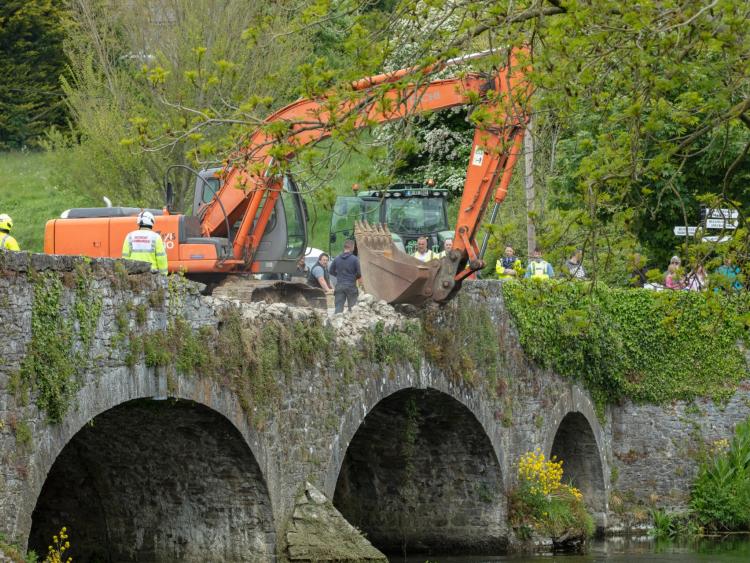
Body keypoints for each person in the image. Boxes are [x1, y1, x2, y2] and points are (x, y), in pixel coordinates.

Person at [330, 240, 361, 313]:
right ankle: (352, 324)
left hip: (339, 285)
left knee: (338, 308)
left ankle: (336, 323)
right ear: (352, 248)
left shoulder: (337, 258)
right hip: (351, 286)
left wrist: (338, 276)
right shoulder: (355, 259)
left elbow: (331, 271)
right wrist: (353, 278)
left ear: (344, 247)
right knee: (353, 309)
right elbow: (359, 273)